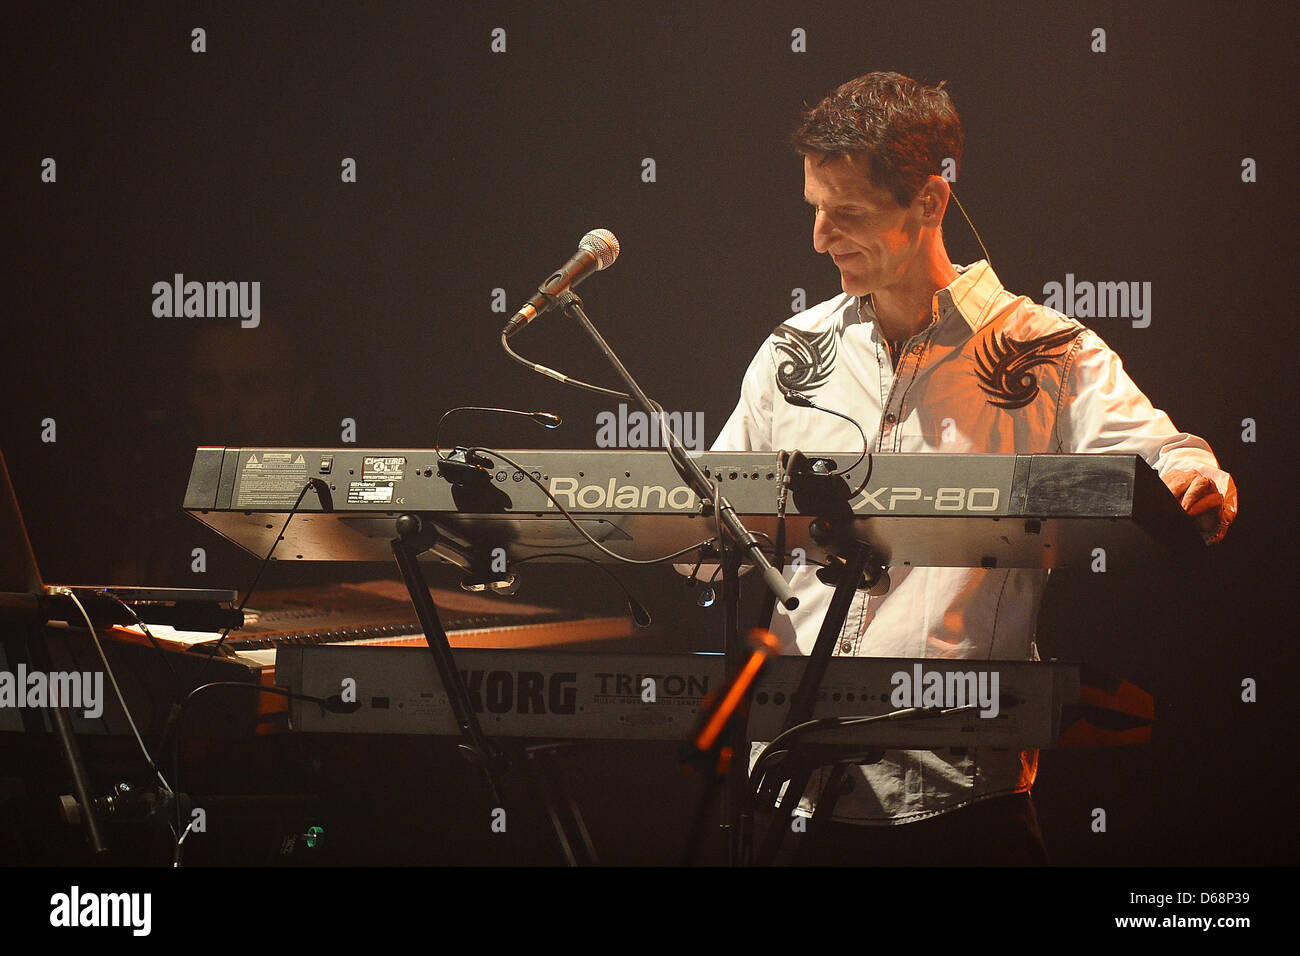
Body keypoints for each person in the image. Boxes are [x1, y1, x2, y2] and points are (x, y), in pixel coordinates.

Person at [713, 71, 1237, 865]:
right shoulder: (791, 351)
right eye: (815, 209)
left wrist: (1198, 475)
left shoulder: (1046, 348)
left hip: (957, 795)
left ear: (929, 202)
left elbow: (1164, 454)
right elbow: (709, 519)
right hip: (795, 787)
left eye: (847, 214)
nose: (820, 237)